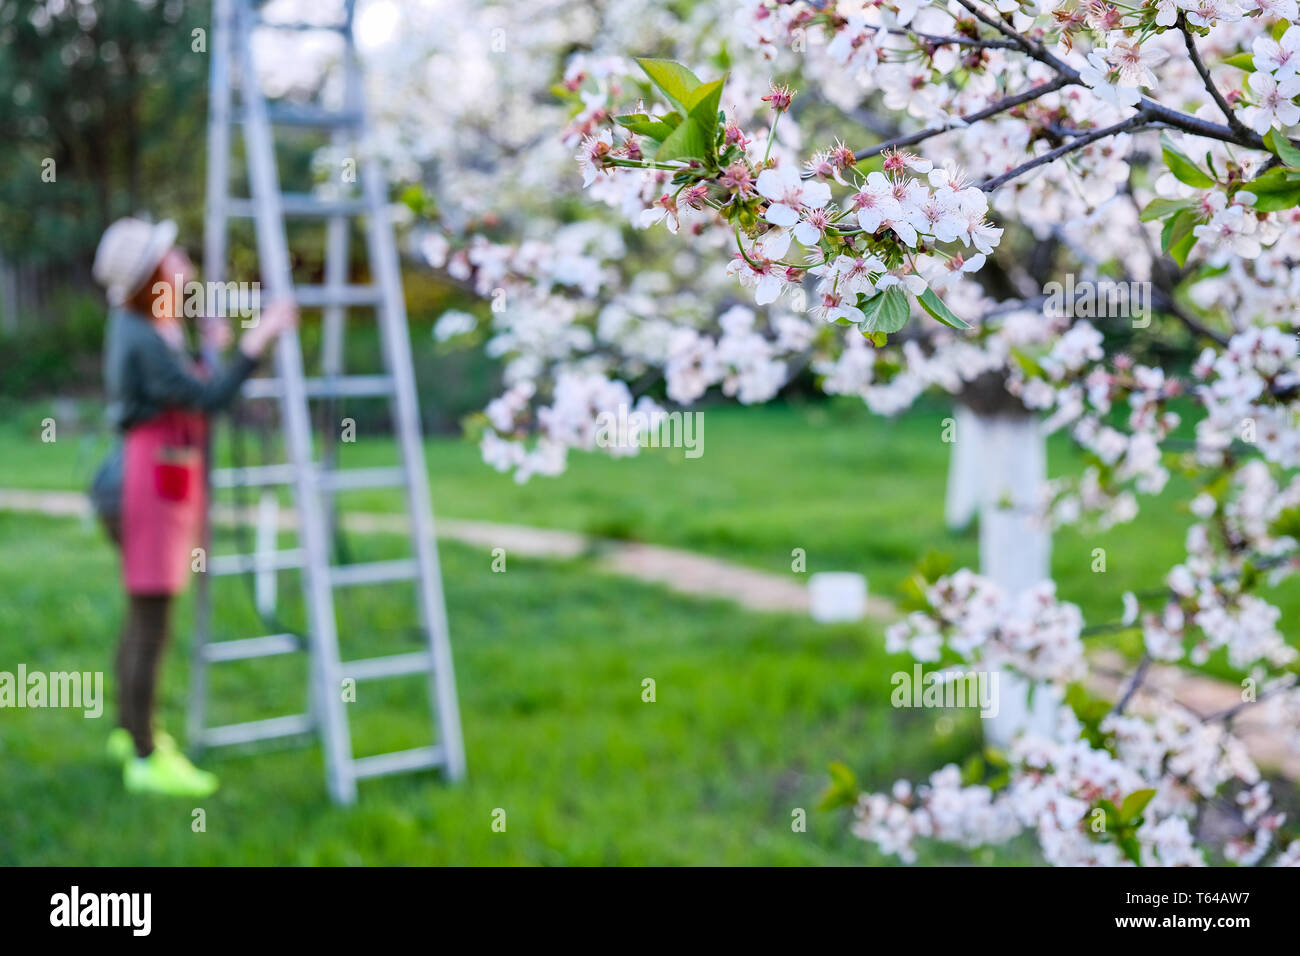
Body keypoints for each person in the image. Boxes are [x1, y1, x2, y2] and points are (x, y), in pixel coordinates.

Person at [90, 216, 297, 797]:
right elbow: (208, 398)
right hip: (147, 484)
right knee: (152, 621)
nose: (182, 263)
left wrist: (212, 345)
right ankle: (144, 755)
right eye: (171, 257)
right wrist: (258, 342)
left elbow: (186, 383)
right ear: (153, 274)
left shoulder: (152, 324)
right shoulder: (141, 333)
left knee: (142, 615)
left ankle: (126, 730)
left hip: (153, 477)